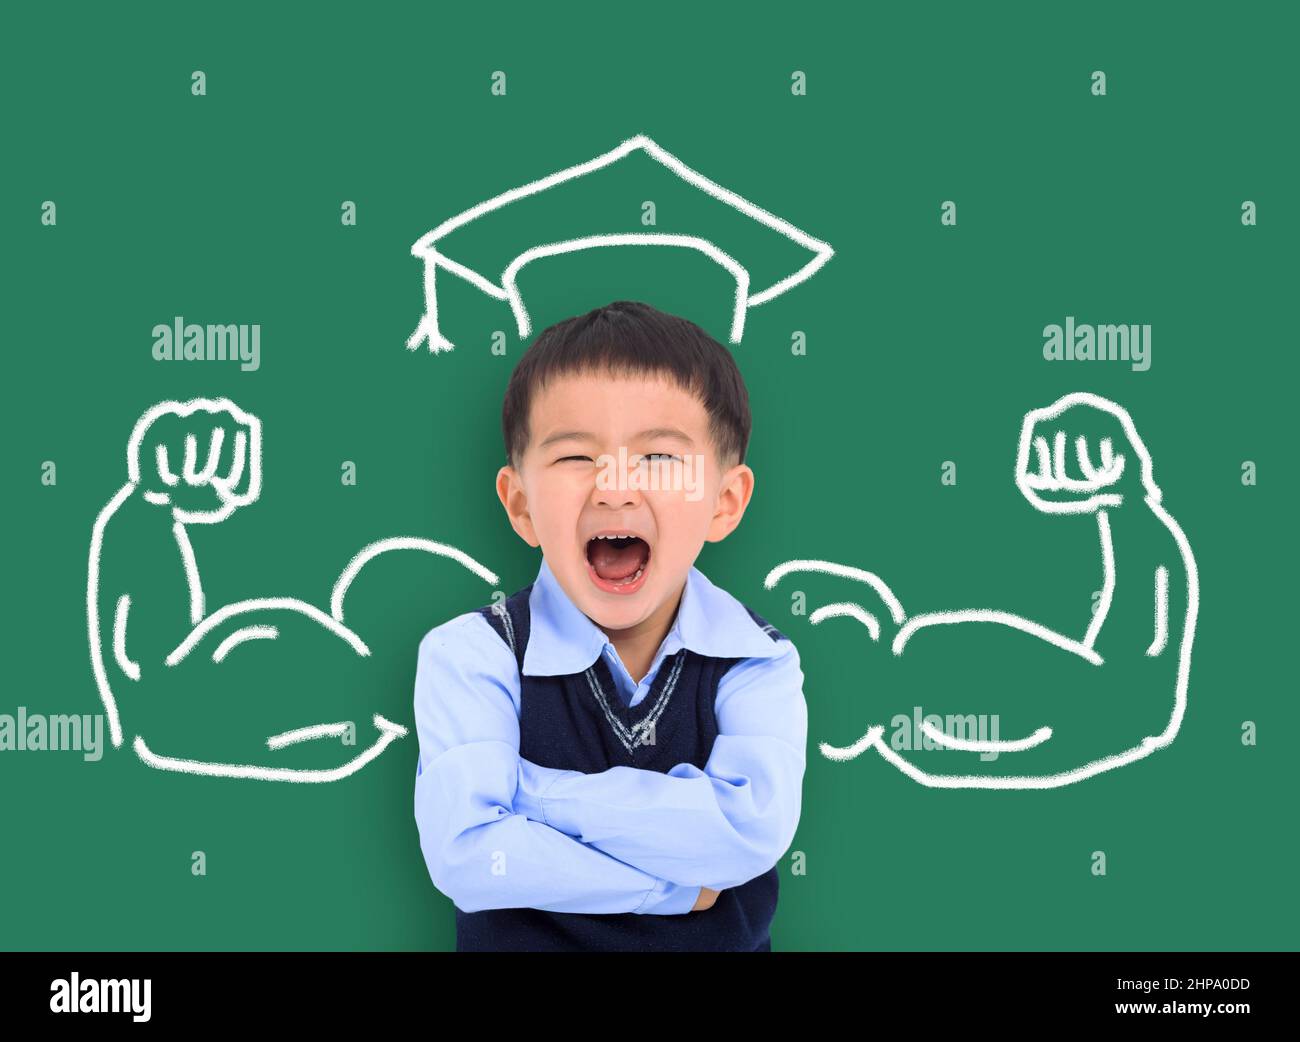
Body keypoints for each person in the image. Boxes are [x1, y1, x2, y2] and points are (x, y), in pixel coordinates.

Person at [412, 300, 808, 951]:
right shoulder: (471, 655)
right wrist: (673, 889)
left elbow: (743, 835)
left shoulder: (757, 661)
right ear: (520, 505)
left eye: (657, 458)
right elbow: (469, 857)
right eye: (575, 459)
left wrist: (530, 794)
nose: (615, 489)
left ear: (724, 502)